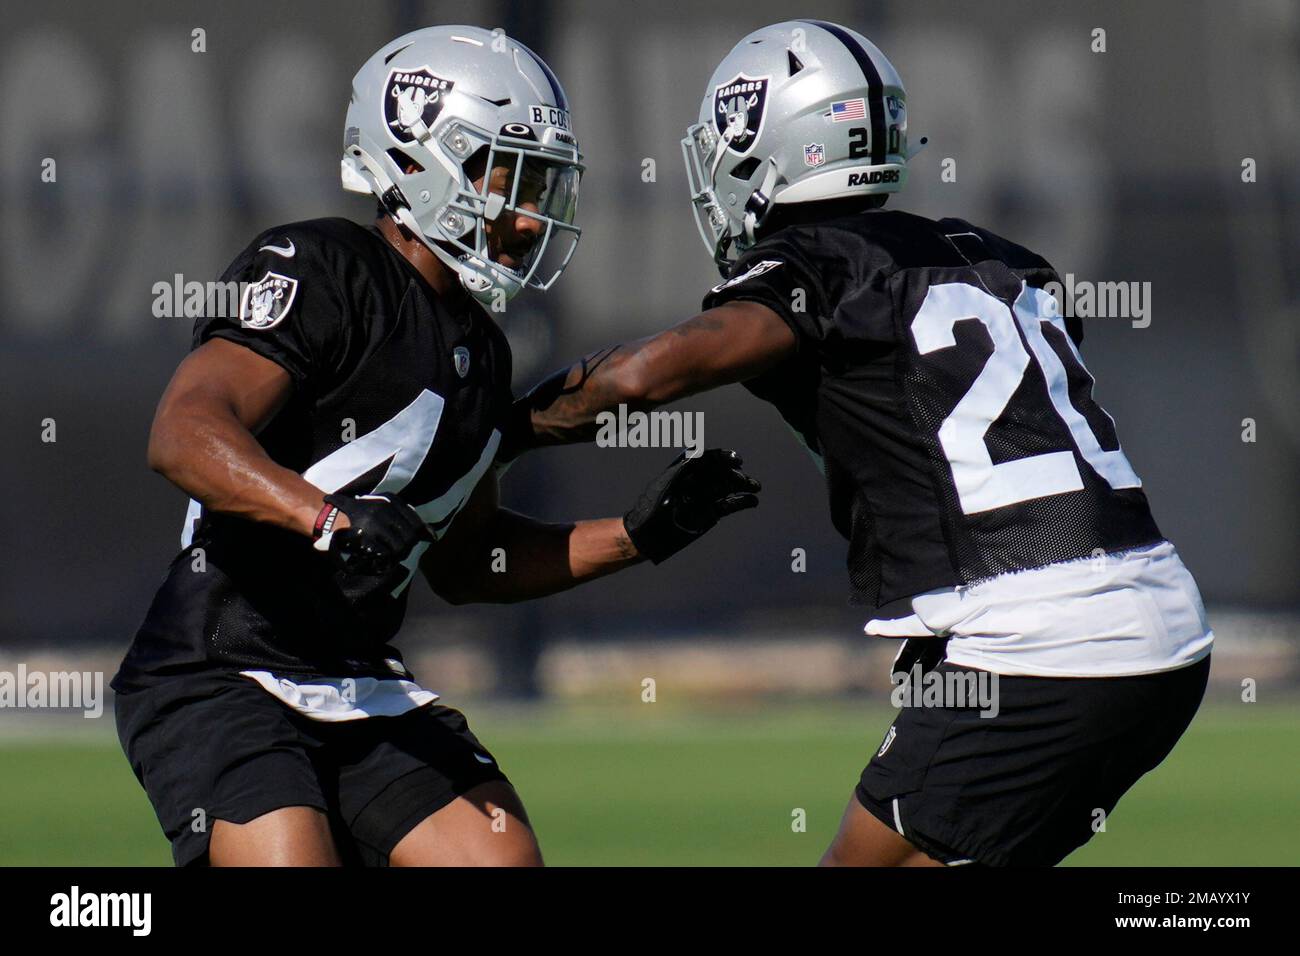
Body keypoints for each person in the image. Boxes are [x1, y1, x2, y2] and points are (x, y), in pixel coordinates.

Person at [501, 19, 1214, 867]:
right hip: (1165, 625)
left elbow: (642, 377)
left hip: (1034, 645)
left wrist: (494, 433)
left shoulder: (816, 267)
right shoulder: (995, 255)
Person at [110, 24, 760, 868]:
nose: (530, 215)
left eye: (542, 184)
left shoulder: (481, 349)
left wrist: (636, 537)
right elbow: (185, 431)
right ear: (422, 159)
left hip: (359, 680)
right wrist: (326, 521)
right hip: (220, 668)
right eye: (510, 174)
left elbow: (466, 561)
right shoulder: (324, 267)